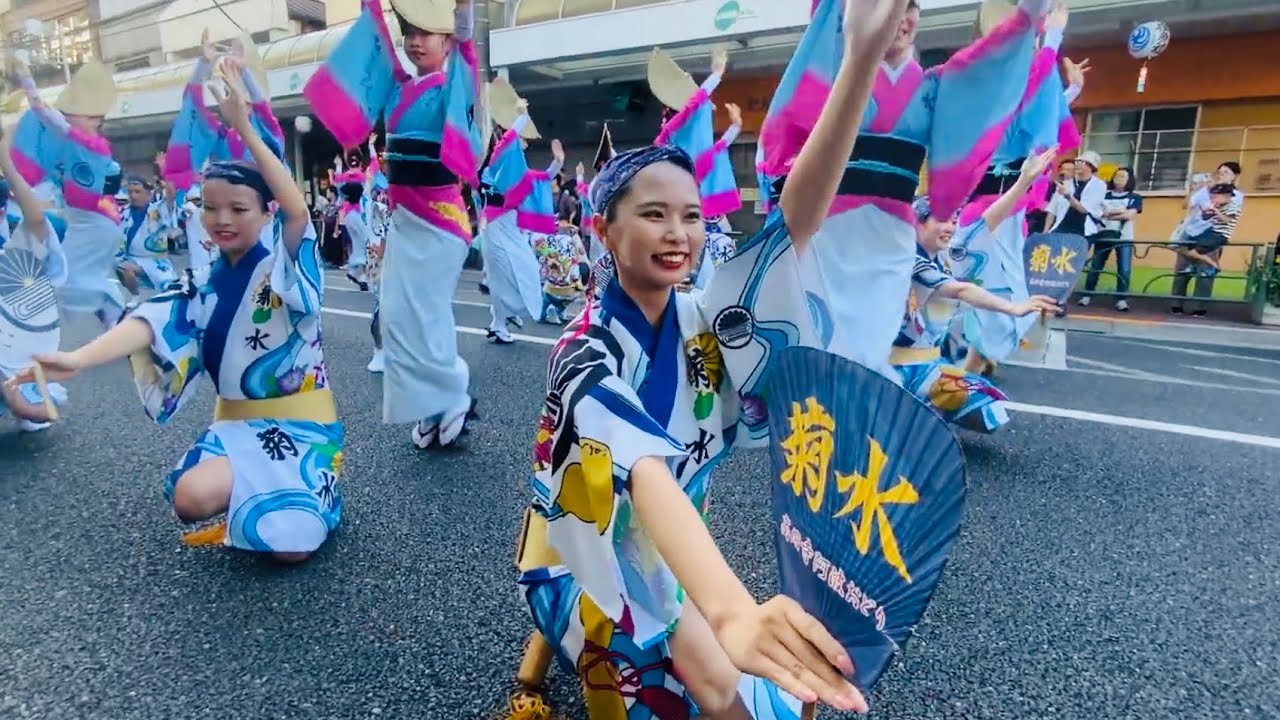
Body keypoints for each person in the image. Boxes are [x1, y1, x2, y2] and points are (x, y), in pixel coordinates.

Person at [497, 2, 915, 718]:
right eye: (653, 214)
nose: (678, 233)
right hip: (590, 556)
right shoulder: (581, 351)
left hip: (672, 558)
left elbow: (793, 226)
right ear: (604, 228)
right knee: (728, 696)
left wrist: (857, 62)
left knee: (784, 682)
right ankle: (561, 640)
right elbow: (645, 469)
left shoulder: (705, 318)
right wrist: (728, 612)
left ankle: (578, 658)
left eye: (691, 216)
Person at [8, 69, 343, 561]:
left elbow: (297, 213)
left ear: (266, 213)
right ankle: (266, 499)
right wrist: (77, 359)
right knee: (190, 500)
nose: (222, 219)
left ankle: (318, 490)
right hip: (237, 427)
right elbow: (148, 323)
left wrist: (246, 128)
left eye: (238, 208)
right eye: (211, 208)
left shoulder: (283, 268)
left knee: (290, 548)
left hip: (302, 428)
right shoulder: (201, 281)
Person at [758, 0, 1053, 382]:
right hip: (827, 232)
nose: (902, 16)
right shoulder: (836, 74)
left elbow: (987, 77)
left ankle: (859, 424)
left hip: (890, 240)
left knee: (869, 350)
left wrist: (1031, 14)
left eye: (910, 5)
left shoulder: (934, 87)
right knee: (817, 341)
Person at [304, 0, 485, 449]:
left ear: (446, 41)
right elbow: (378, 50)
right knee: (399, 320)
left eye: (428, 33)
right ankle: (432, 402)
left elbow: (467, 59)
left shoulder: (450, 85)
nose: (416, 40)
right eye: (411, 32)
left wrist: (463, 19)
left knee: (426, 317)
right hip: (404, 220)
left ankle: (452, 391)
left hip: (441, 223)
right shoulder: (399, 89)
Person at [896, 180, 1058, 432]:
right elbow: (960, 289)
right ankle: (913, 419)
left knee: (989, 414)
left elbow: (983, 226)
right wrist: (1012, 308)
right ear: (917, 222)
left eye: (953, 221)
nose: (950, 227)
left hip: (931, 362)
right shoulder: (907, 259)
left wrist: (1024, 179)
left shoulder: (946, 255)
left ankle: (922, 417)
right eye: (942, 220)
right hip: (896, 367)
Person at [9, 57, 126, 334]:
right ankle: (113, 314)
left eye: (87, 115)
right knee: (69, 273)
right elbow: (42, 111)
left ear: (97, 121)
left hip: (95, 220)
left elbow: (48, 114)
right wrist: (26, 81)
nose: (73, 116)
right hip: (87, 217)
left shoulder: (95, 148)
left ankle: (115, 310)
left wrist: (29, 82)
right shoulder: (74, 140)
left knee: (67, 275)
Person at [479, 90, 562, 344]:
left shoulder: (519, 172)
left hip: (508, 226)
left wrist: (558, 161)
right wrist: (522, 114)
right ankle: (501, 321)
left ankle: (501, 318)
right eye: (522, 140)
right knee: (504, 273)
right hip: (494, 225)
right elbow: (509, 138)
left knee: (520, 269)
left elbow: (545, 177)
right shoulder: (495, 164)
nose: (524, 143)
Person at [0, 132, 69, 432]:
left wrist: (6, 163)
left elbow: (37, 221)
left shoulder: (13, 258)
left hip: (15, 366)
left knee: (36, 420)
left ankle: (17, 390)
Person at [1171, 162, 1245, 316]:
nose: (1221, 175)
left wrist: (1214, 199)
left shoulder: (1235, 195)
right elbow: (1185, 205)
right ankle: (1176, 303)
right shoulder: (1205, 190)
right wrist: (1194, 190)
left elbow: (1227, 214)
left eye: (1226, 172)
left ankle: (1200, 307)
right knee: (1182, 268)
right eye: (1219, 172)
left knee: (1205, 272)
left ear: (1234, 176)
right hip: (1191, 231)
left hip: (1211, 233)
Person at [1079, 166, 1142, 311]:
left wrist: (1109, 214)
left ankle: (1121, 299)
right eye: (1117, 177)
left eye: (1123, 177)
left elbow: (1128, 215)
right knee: (1096, 265)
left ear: (1129, 180)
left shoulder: (1134, 197)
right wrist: (1117, 212)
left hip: (1124, 237)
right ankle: (1087, 295)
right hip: (1103, 234)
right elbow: (1096, 212)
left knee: (1124, 269)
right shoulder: (1104, 195)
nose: (1119, 180)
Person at [116, 176, 176, 308]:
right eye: (130, 192)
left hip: (156, 260)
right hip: (132, 259)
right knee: (122, 267)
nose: (133, 195)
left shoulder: (157, 210)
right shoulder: (123, 213)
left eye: (137, 192)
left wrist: (166, 175)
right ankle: (135, 296)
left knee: (170, 293)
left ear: (149, 194)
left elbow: (171, 198)